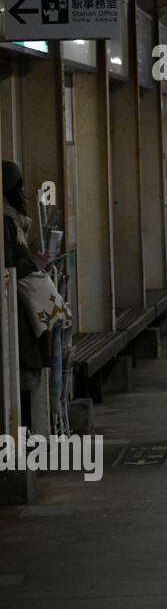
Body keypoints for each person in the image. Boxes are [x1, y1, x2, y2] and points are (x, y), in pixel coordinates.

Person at [2, 161, 46, 429]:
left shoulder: (12, 221)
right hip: (16, 306)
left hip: (17, 303)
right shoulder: (7, 221)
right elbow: (10, 263)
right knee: (24, 367)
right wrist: (34, 264)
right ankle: (23, 433)